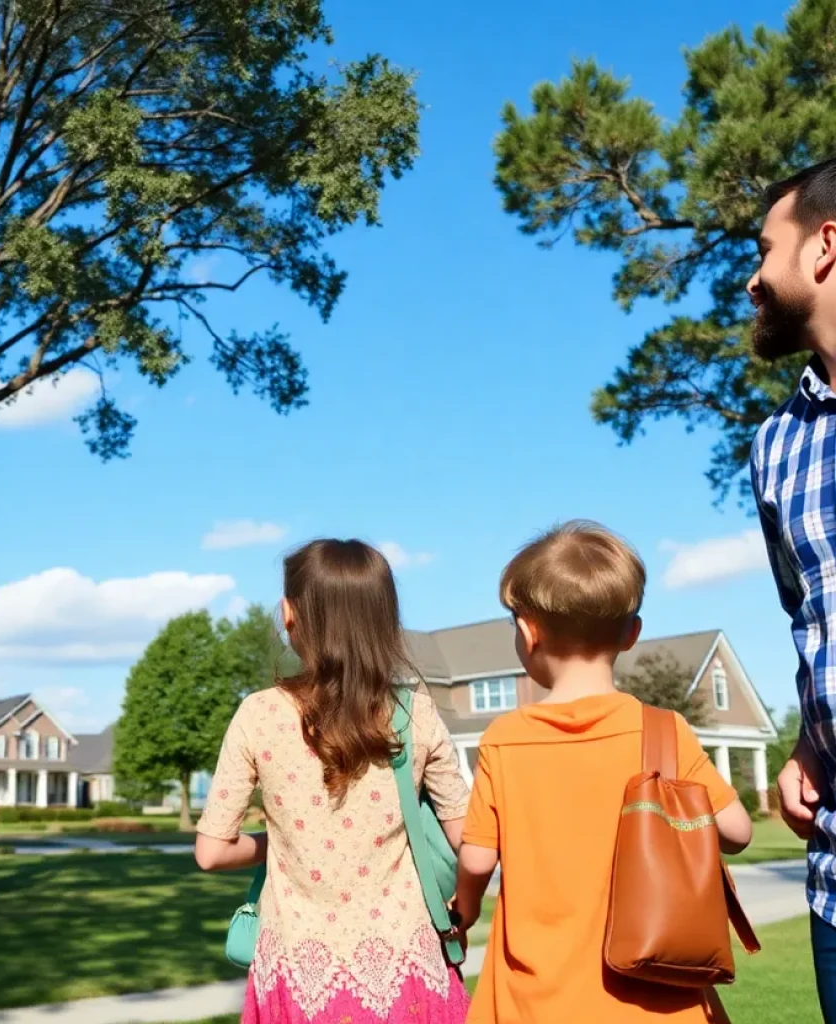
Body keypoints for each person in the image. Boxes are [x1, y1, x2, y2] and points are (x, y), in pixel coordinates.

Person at [454, 521, 752, 1024]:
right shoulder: (663, 731)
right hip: (658, 998)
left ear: (528, 633)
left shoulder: (506, 739)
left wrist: (462, 911)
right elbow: (738, 832)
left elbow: (480, 859)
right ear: (631, 634)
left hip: (537, 1003)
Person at [194, 538, 471, 1024]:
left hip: (300, 976)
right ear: (384, 618)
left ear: (289, 614)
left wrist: (279, 841)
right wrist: (462, 909)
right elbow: (470, 841)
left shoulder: (259, 715)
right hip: (407, 968)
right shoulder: (415, 714)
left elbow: (212, 851)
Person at [749, 156, 836, 1022]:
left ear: (825, 247)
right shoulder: (776, 448)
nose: (753, 276)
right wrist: (812, 743)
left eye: (765, 249)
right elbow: (808, 619)